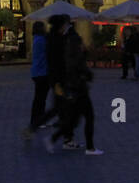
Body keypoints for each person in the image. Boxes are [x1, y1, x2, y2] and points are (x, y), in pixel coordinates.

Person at [47, 19, 102, 155]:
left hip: (72, 84)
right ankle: (90, 148)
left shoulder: (65, 40)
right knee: (88, 116)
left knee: (74, 118)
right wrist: (86, 73)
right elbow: (77, 63)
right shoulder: (73, 40)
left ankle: (55, 138)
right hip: (78, 85)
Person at [21, 21, 53, 138]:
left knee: (40, 98)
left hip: (37, 72)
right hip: (42, 72)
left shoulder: (36, 39)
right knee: (40, 99)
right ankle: (36, 121)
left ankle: (40, 120)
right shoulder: (41, 40)